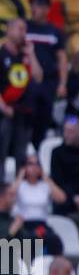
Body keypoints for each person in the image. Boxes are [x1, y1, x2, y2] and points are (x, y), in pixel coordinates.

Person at [0, 16, 43, 168]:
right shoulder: (1, 53)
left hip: (24, 113)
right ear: (9, 30)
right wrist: (3, 108)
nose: (23, 33)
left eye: (25, 29)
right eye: (20, 29)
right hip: (4, 113)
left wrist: (31, 54)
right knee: (1, 153)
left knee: (21, 156)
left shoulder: (25, 55)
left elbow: (38, 77)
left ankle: (17, 189)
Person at [26, 0, 68, 145]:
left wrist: (62, 83)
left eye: (43, 6)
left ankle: (38, 149)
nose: (39, 9)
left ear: (48, 9)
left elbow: (62, 58)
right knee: (27, 116)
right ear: (31, 6)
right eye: (36, 5)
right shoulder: (24, 27)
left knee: (44, 117)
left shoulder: (54, 31)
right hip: (27, 81)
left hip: (48, 82)